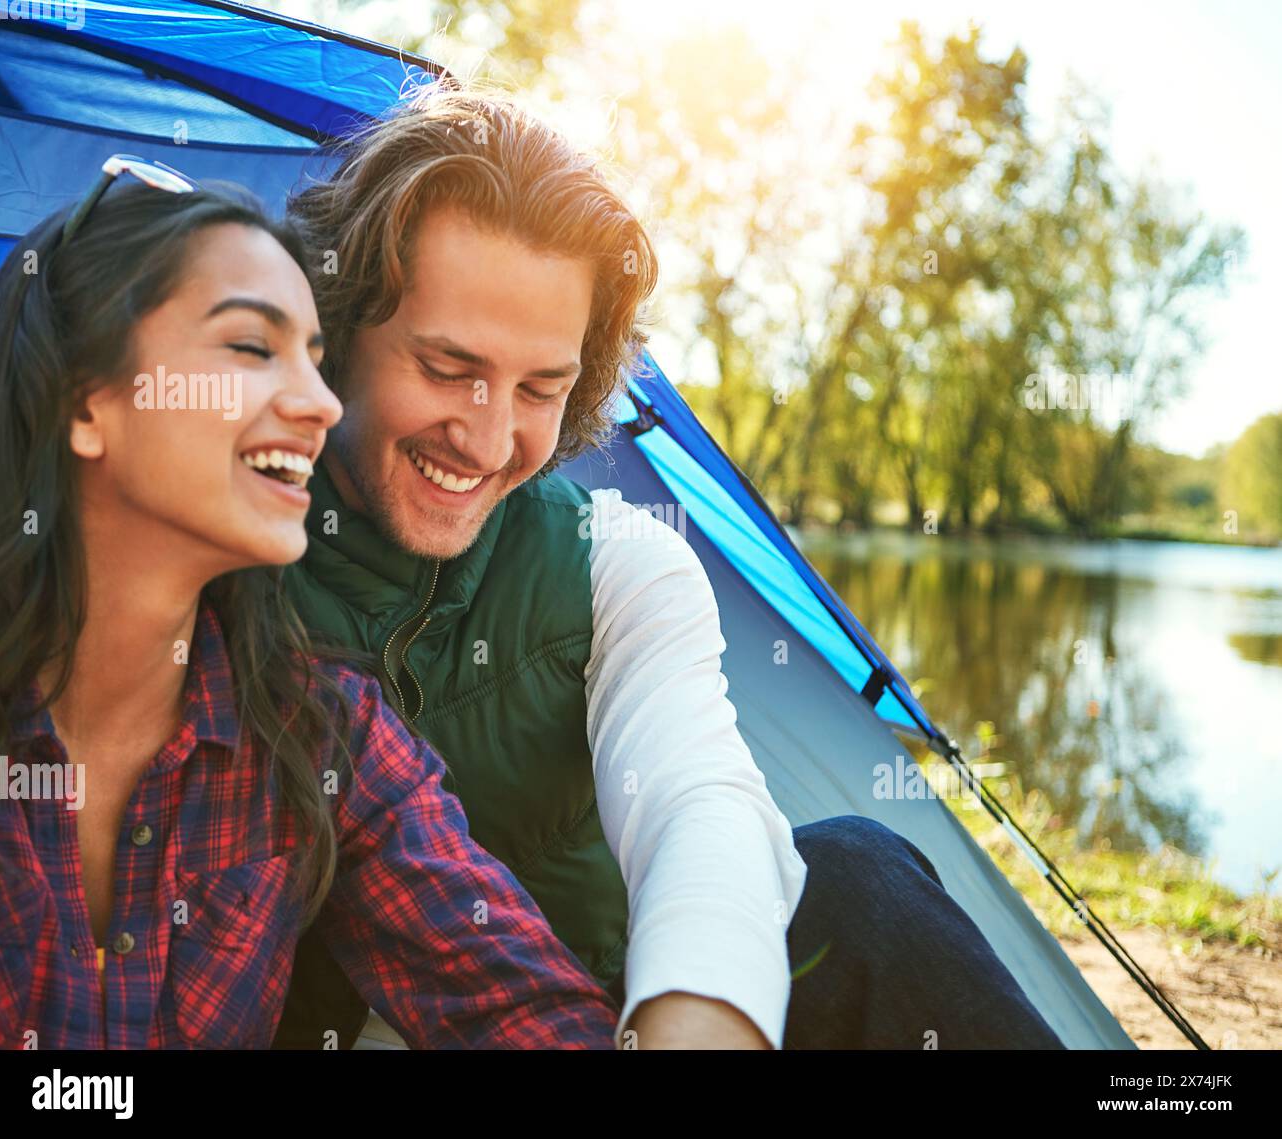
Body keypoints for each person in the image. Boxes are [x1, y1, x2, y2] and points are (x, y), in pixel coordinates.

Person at [274, 85, 1065, 1050]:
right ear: (336, 329)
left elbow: (698, 800)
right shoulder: (215, 552)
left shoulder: (619, 562)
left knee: (859, 876)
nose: (486, 437)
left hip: (618, 1015)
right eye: (446, 368)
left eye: (541, 388)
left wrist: (693, 1022)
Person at [0, 156, 619, 1049]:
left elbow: (515, 1004)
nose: (321, 405)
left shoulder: (321, 736)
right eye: (251, 348)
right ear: (87, 399)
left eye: (314, 361)